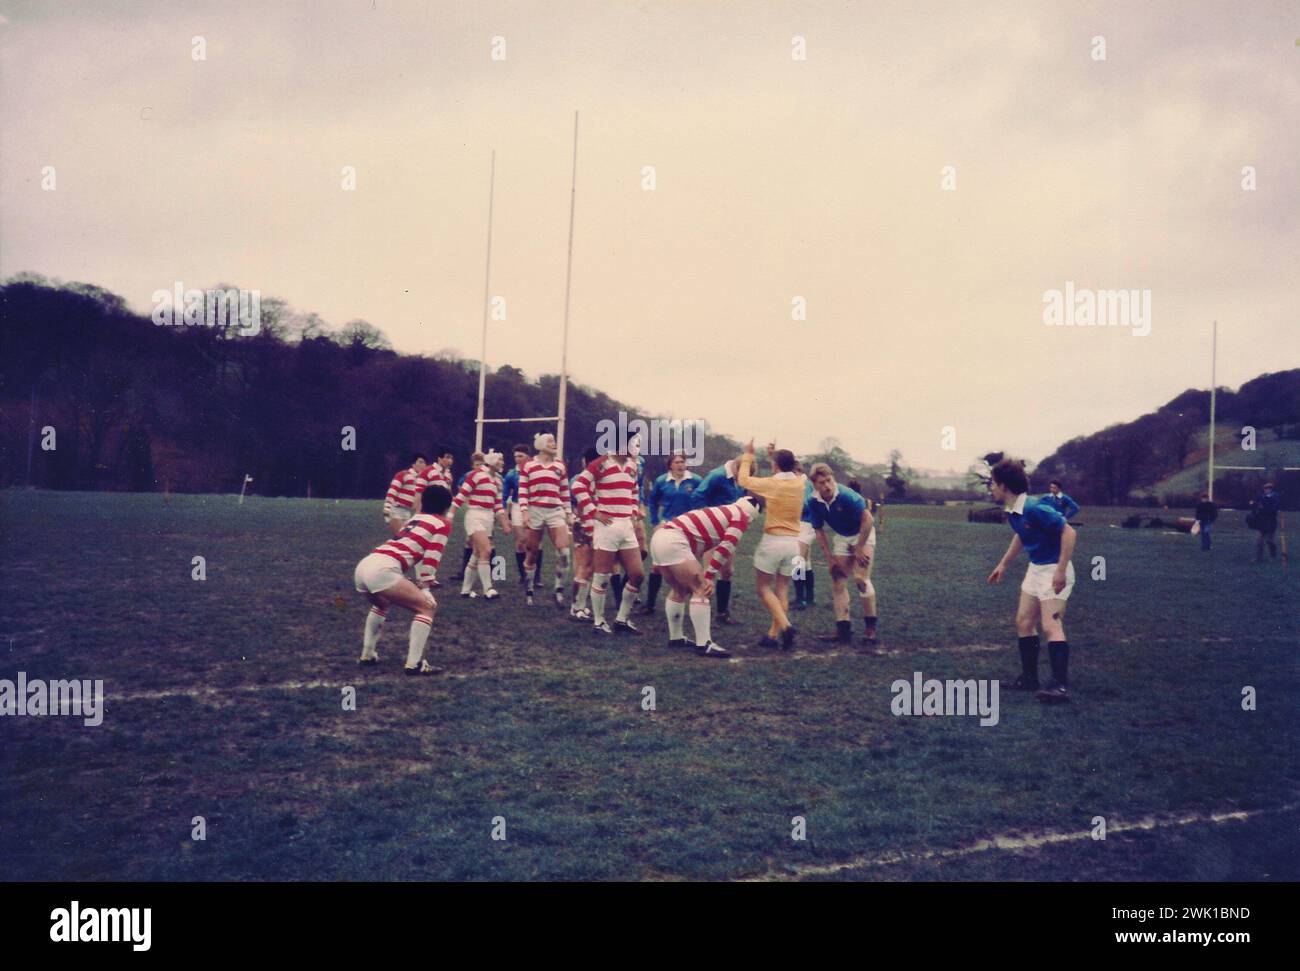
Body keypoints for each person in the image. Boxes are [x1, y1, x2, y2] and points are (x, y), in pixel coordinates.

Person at [986, 458, 1077, 703]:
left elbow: (1068, 532)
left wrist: (1059, 570)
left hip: (1054, 571)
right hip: (1036, 569)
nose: (991, 488)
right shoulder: (1014, 511)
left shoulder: (1035, 508)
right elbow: (1021, 536)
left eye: (993, 484)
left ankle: (1060, 686)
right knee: (1024, 622)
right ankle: (1029, 679)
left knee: (1051, 626)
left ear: (1004, 486)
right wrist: (1003, 564)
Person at [353, 484, 453, 675]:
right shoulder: (442, 523)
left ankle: (367, 655)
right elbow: (432, 556)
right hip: (383, 569)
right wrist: (425, 587)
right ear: (446, 506)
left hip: (365, 565)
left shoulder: (416, 518)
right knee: (427, 608)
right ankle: (414, 664)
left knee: (381, 604)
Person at [650, 497, 759, 658]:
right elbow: (726, 546)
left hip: (660, 538)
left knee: (679, 590)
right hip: (674, 540)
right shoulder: (741, 516)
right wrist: (709, 575)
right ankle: (704, 643)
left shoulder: (725, 510)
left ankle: (676, 638)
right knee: (701, 589)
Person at [737, 439, 807, 650]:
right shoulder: (800, 482)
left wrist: (748, 455)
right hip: (793, 543)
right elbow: (785, 468)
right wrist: (774, 455)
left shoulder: (771, 483)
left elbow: (743, 480)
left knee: (763, 588)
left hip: (773, 541)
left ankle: (785, 627)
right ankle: (773, 635)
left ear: (776, 465)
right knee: (782, 589)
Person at [573, 442, 645, 635]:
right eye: (633, 443)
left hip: (626, 526)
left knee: (637, 575)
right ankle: (599, 621)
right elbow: (579, 486)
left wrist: (634, 509)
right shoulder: (601, 463)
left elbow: (634, 489)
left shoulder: (633, 465)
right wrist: (594, 512)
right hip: (606, 527)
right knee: (602, 575)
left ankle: (621, 619)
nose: (635, 447)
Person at [806, 464, 879, 648]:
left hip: (863, 533)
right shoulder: (813, 501)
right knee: (838, 579)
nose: (827, 486)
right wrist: (829, 557)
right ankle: (843, 629)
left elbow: (868, 520)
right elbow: (818, 529)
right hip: (842, 537)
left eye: (829, 480)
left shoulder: (847, 496)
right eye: (822, 483)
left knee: (861, 579)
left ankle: (870, 629)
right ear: (814, 485)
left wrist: (860, 547)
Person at [640, 452, 702, 615]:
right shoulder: (662, 481)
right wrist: (655, 522)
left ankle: (695, 600)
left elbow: (704, 499)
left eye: (683, 462)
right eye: (677, 462)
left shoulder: (695, 480)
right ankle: (650, 604)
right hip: (667, 527)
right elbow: (652, 502)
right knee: (656, 567)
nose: (681, 465)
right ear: (670, 465)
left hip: (689, 528)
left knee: (689, 566)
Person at [520, 432, 572, 607]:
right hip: (535, 511)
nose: (554, 444)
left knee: (564, 552)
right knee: (532, 552)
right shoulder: (529, 466)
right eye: (550, 441)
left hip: (555, 511)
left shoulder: (560, 465)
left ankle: (558, 590)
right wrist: (525, 512)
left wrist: (569, 512)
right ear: (541, 445)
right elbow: (523, 491)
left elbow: (565, 491)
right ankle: (529, 590)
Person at [691, 458, 746, 624]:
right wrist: (707, 520)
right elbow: (698, 495)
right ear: (737, 467)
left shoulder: (738, 478)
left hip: (728, 531)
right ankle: (700, 609)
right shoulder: (717, 475)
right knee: (708, 572)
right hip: (713, 531)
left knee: (727, 571)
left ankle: (722, 613)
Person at [451, 451, 510, 600]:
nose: (502, 463)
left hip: (488, 517)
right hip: (475, 515)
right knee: (486, 550)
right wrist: (450, 515)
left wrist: (504, 523)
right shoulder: (476, 475)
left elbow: (498, 504)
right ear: (492, 461)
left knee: (477, 554)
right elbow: (461, 496)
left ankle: (465, 590)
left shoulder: (498, 479)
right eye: (500, 460)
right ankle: (488, 589)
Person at [567, 446, 601, 621]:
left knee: (591, 568)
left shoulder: (601, 480)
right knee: (584, 567)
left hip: (597, 527)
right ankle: (575, 607)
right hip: (583, 526)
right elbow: (572, 503)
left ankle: (582, 605)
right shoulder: (580, 480)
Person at [502, 444, 541, 587]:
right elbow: (505, 495)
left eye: (521, 456)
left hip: (535, 506)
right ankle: (523, 575)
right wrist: (504, 515)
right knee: (521, 542)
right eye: (515, 457)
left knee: (535, 543)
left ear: (529, 457)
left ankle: (536, 577)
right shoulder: (512, 474)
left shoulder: (536, 470)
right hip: (518, 506)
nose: (517, 459)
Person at [383, 452, 428, 536]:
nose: (423, 465)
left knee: (405, 539)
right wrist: (387, 509)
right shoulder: (403, 474)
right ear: (413, 464)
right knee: (402, 537)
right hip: (396, 510)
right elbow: (392, 491)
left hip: (407, 512)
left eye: (425, 463)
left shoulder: (422, 481)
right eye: (420, 462)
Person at [793, 469, 818, 610]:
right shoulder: (804, 483)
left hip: (806, 524)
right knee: (806, 562)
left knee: (798, 560)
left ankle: (800, 599)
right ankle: (809, 598)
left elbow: (807, 505)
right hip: (805, 524)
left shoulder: (804, 484)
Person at [1250, 482, 1281, 562]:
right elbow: (1255, 504)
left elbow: (1274, 509)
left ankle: (1273, 555)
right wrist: (1253, 504)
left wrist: (1263, 508)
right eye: (1265, 488)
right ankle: (1258, 557)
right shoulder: (1261, 496)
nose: (1266, 490)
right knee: (1259, 540)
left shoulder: (1275, 497)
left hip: (1270, 521)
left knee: (1269, 540)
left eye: (1269, 488)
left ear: (1271, 489)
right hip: (1261, 521)